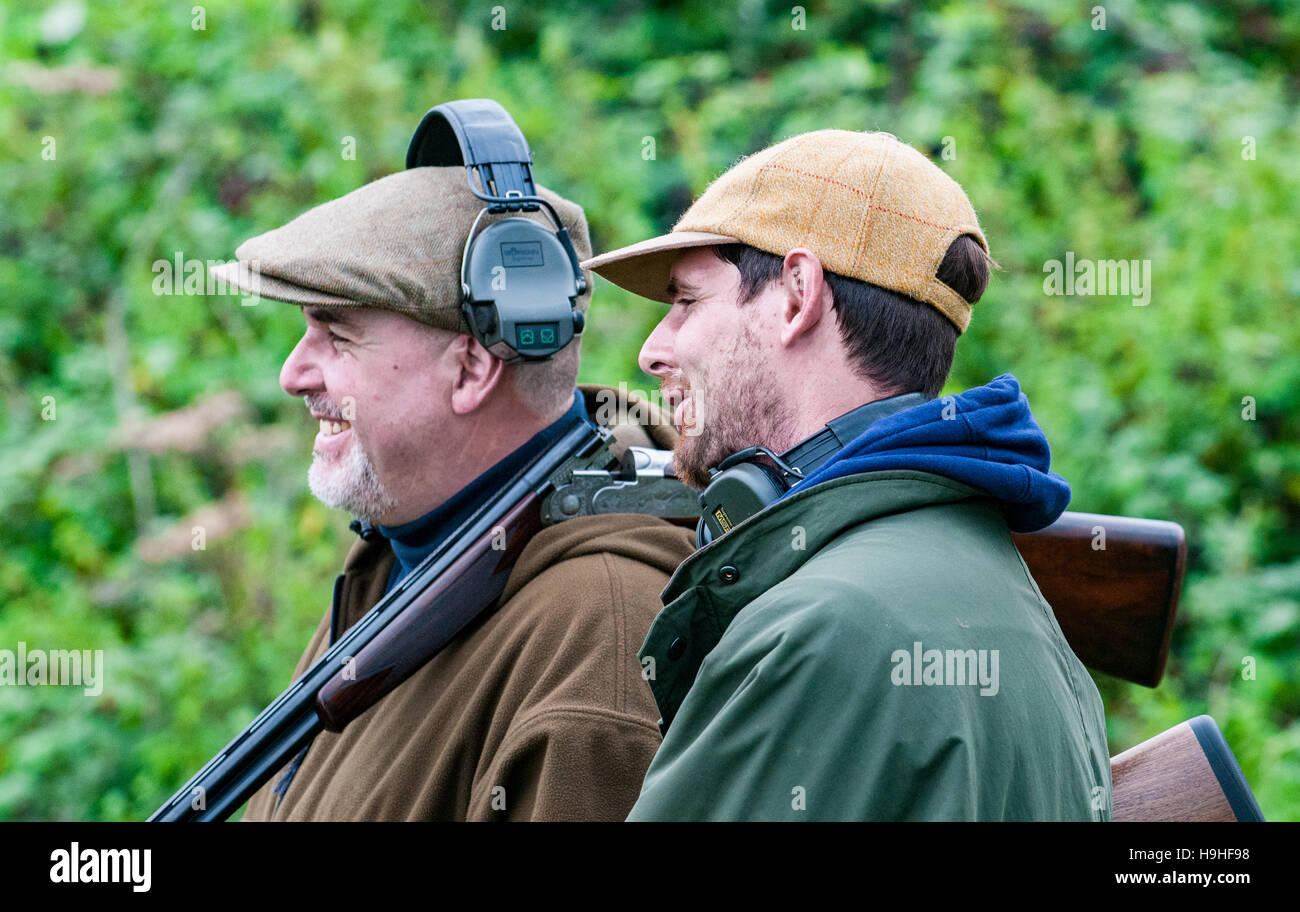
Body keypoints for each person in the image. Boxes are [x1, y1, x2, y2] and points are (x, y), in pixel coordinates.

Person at [582, 129, 1112, 821]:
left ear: (798, 294)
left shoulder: (816, 634)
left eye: (686, 302)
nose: (655, 349)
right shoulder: (1025, 613)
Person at [209, 165, 695, 820]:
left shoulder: (597, 653)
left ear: (469, 369)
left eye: (336, 333)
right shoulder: (416, 547)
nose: (292, 373)